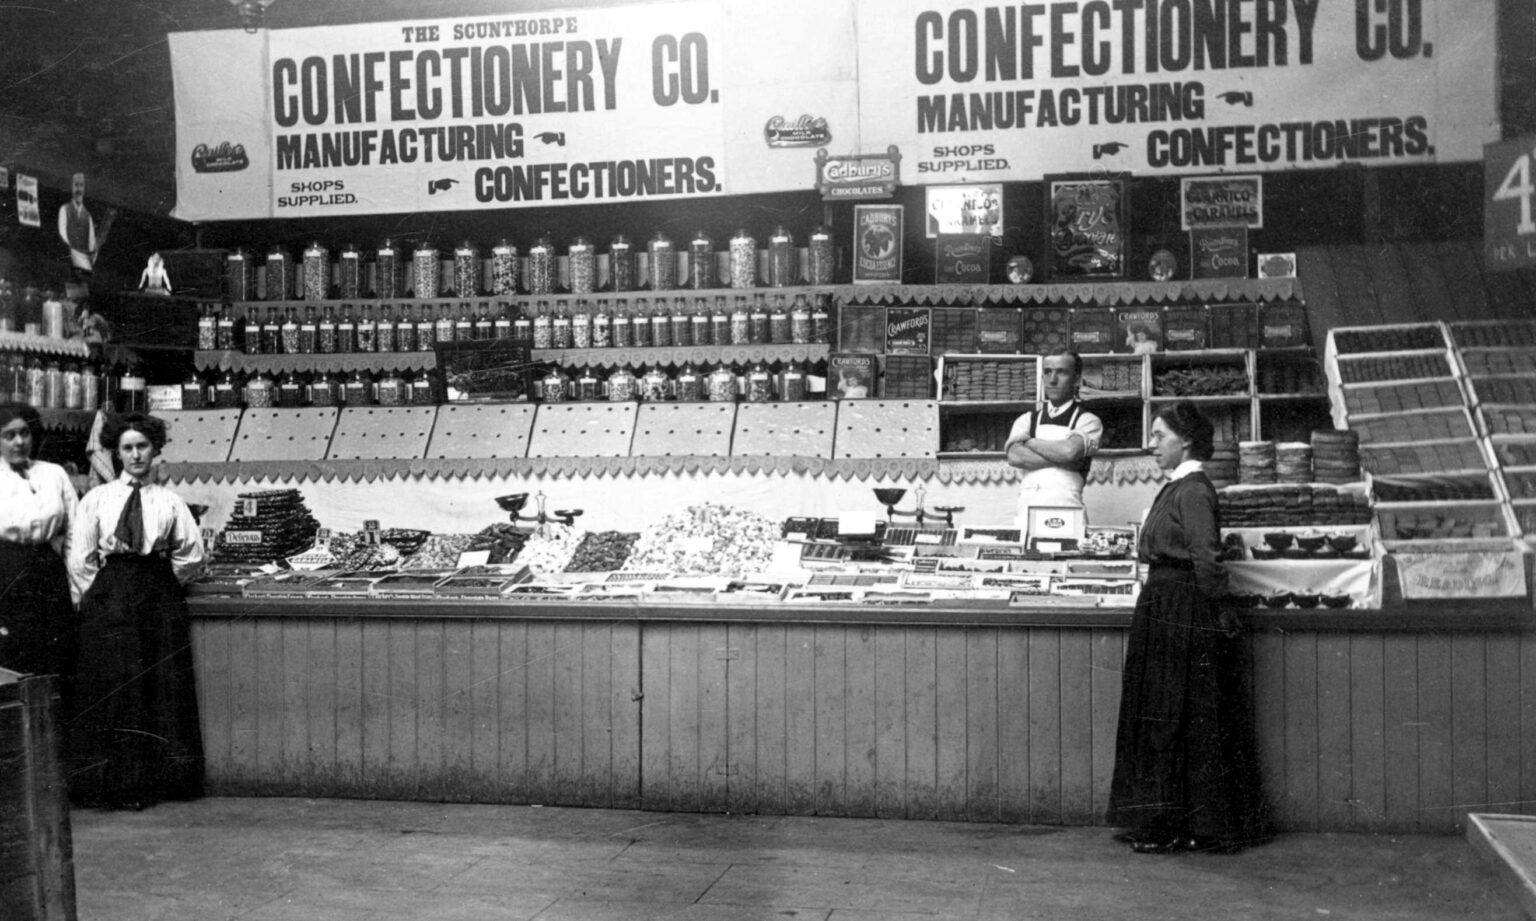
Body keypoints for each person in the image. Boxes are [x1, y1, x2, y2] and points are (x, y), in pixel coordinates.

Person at [1107, 401, 1267, 854]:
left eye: (1160, 436)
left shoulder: (1194, 490)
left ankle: (1181, 824)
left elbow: (1207, 559)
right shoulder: (1177, 487)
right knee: (1163, 714)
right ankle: (1165, 820)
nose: (1152, 444)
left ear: (1187, 441)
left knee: (1177, 717)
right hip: (1165, 607)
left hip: (1181, 612)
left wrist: (1218, 609)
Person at [66, 413, 206, 810]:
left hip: (157, 594)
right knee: (113, 686)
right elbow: (81, 557)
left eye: (142, 446)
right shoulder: (97, 499)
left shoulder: (170, 501)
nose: (135, 455)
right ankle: (111, 785)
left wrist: (160, 584)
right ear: (116, 453)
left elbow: (191, 555)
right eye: (127, 448)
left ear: (155, 450)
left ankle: (159, 781)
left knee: (157, 683)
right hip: (109, 593)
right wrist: (100, 594)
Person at [0, 404, 79, 689]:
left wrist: (76, 586)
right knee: (14, 660)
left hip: (49, 574)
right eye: (9, 435)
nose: (19, 442)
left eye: (24, 433)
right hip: (6, 577)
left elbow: (75, 532)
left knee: (55, 659)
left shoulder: (53, 474)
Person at [1003, 350, 1102, 534]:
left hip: (1069, 516)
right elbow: (1015, 457)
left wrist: (1030, 442)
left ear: (1076, 379)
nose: (1052, 380)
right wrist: (1065, 459)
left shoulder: (1088, 421)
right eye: (1047, 372)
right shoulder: (1026, 419)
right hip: (1027, 515)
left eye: (1061, 372)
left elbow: (1069, 452)